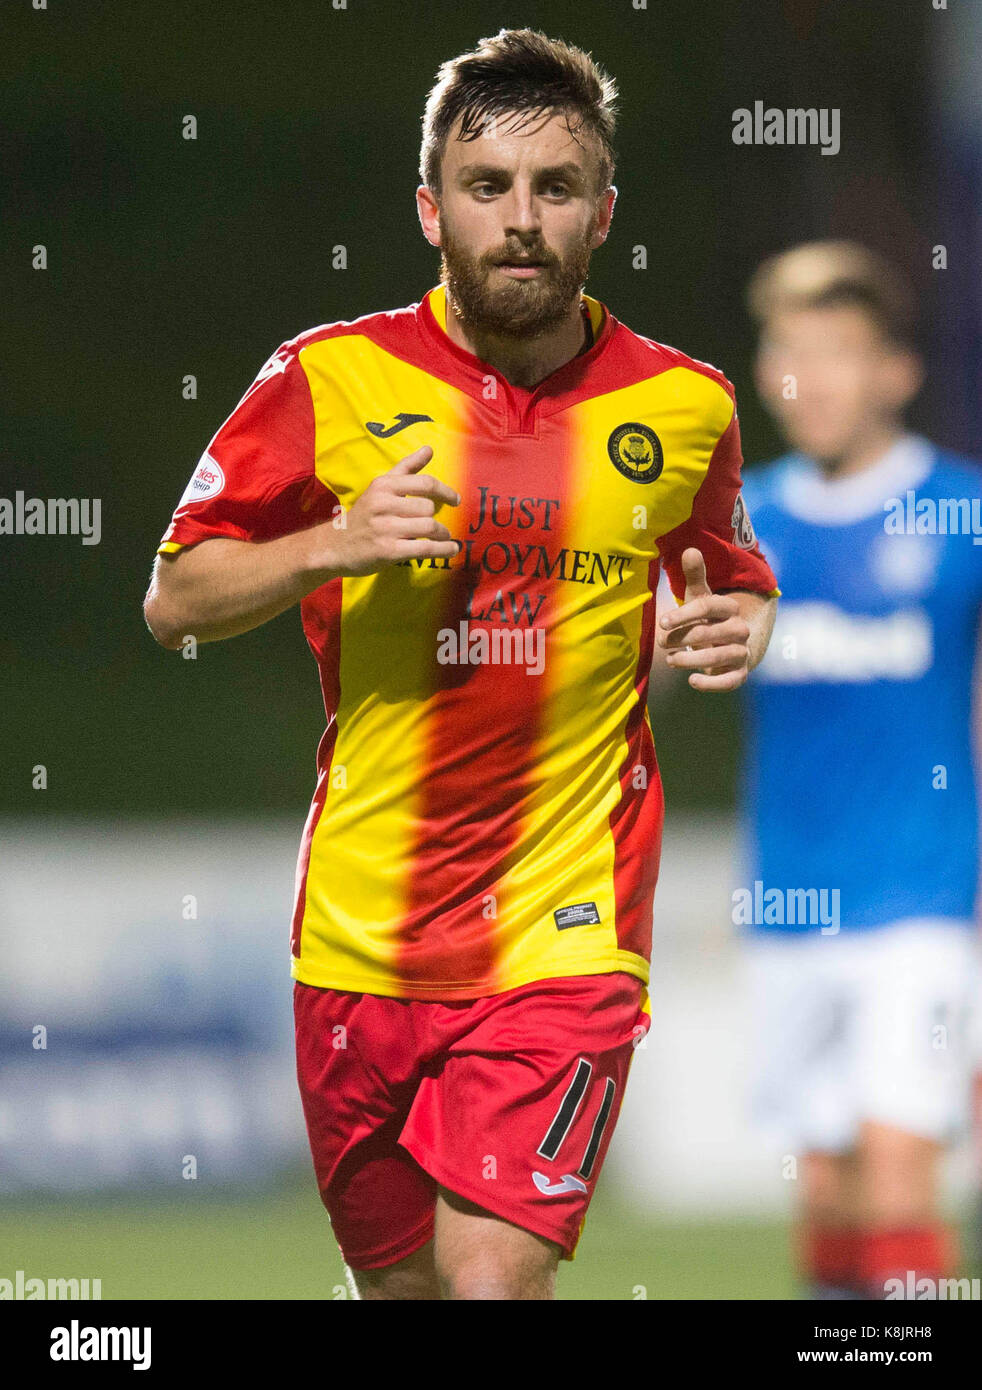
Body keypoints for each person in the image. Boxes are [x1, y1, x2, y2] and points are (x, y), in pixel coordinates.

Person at [143, 27, 777, 1301]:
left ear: (604, 213)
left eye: (556, 189)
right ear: (432, 210)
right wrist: (331, 541)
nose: (522, 220)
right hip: (359, 935)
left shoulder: (686, 404)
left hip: (568, 929)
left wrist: (749, 618)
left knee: (489, 1283)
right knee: (407, 1293)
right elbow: (175, 601)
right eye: (489, 188)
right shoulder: (328, 377)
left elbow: (729, 569)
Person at [738, 240, 981, 1299]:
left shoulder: (959, 514)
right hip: (787, 902)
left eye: (838, 350)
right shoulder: (737, 523)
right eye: (788, 350)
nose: (811, 378)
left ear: (895, 371)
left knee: (896, 1175)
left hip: (923, 900)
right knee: (825, 1189)